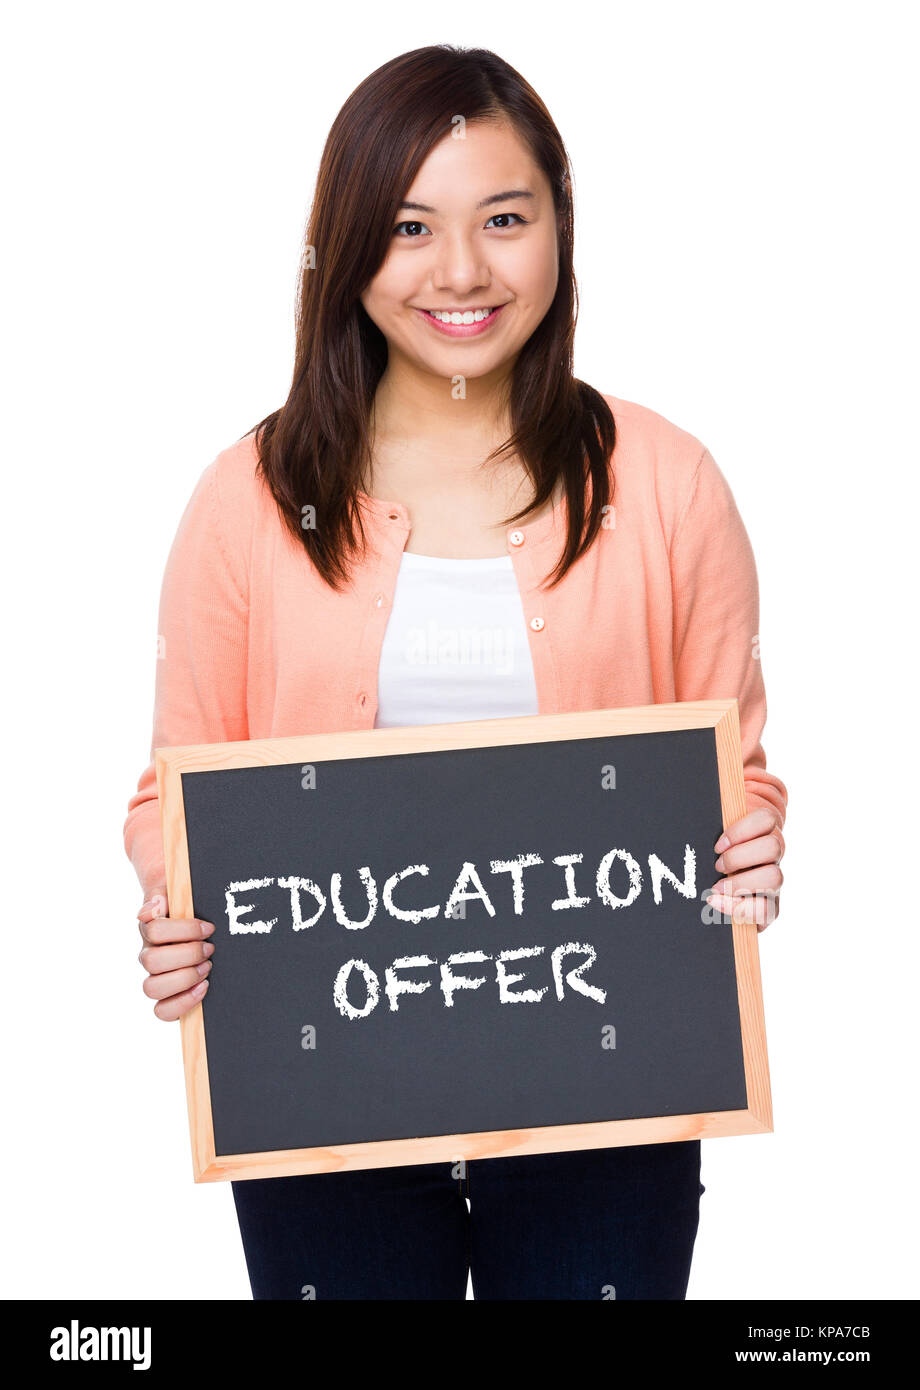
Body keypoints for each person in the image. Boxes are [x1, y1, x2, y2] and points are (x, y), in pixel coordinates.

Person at [124, 44, 787, 1300]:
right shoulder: (248, 501)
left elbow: (732, 780)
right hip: (324, 1101)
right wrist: (180, 914)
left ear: (558, 228)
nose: (462, 271)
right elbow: (170, 795)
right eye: (410, 227)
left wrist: (746, 851)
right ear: (347, 249)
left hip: (607, 1100)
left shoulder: (665, 483)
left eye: (503, 218)